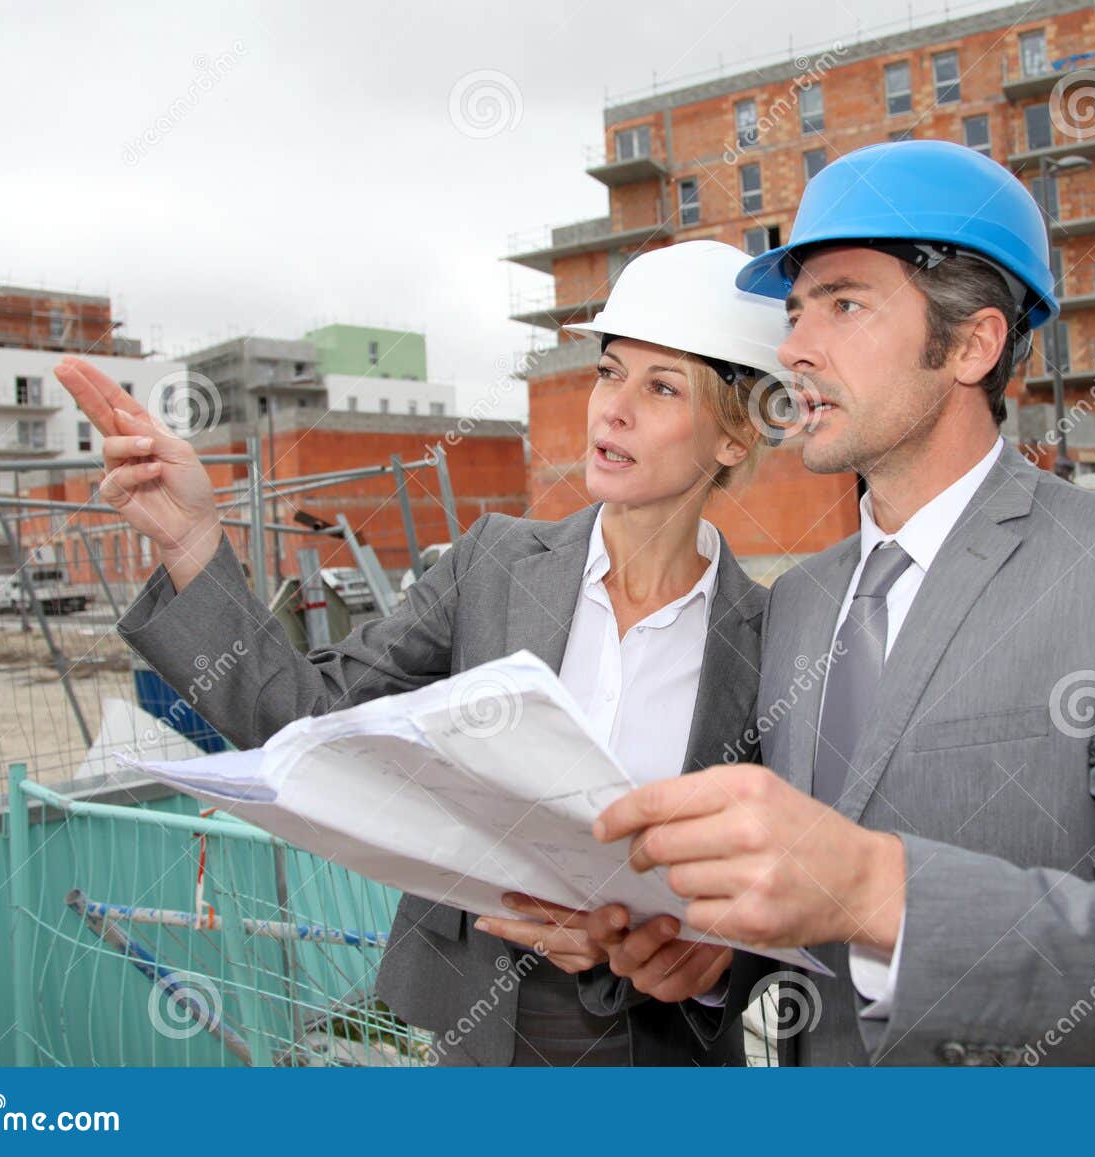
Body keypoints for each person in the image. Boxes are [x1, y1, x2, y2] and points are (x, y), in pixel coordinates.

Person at [586, 141, 1095, 1065]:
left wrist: (883, 891)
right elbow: (807, 937)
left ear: (972, 343)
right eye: (797, 312)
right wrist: (717, 952)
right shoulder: (798, 600)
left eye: (844, 304)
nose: (795, 346)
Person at [51, 240, 787, 1066]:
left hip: (661, 1051)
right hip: (482, 1024)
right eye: (609, 371)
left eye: (661, 387)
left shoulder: (775, 635)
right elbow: (306, 719)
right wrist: (192, 543)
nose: (612, 409)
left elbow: (798, 891)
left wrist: (708, 958)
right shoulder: (495, 565)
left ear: (732, 436)